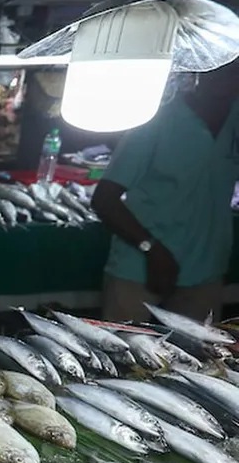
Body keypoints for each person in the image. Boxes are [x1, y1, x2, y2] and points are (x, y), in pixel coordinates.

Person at [93, 59, 239, 323]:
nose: (229, 80)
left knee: (199, 362)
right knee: (124, 357)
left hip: (205, 272)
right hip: (140, 270)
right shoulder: (156, 121)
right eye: (223, 71)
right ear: (201, 72)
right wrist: (152, 250)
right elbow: (104, 199)